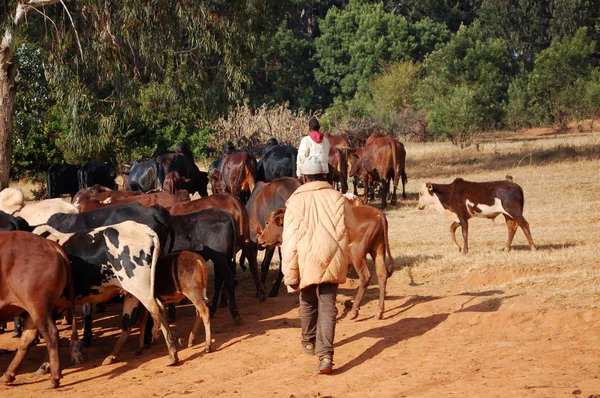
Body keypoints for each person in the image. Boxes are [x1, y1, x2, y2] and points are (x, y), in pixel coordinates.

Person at [281, 155, 357, 375]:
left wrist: (290, 272)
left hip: (306, 257)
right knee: (328, 305)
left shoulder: (295, 201)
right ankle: (326, 356)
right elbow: (352, 231)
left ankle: (308, 341)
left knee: (307, 300)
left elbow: (290, 241)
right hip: (333, 255)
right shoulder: (339, 197)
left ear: (304, 177)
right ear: (325, 175)